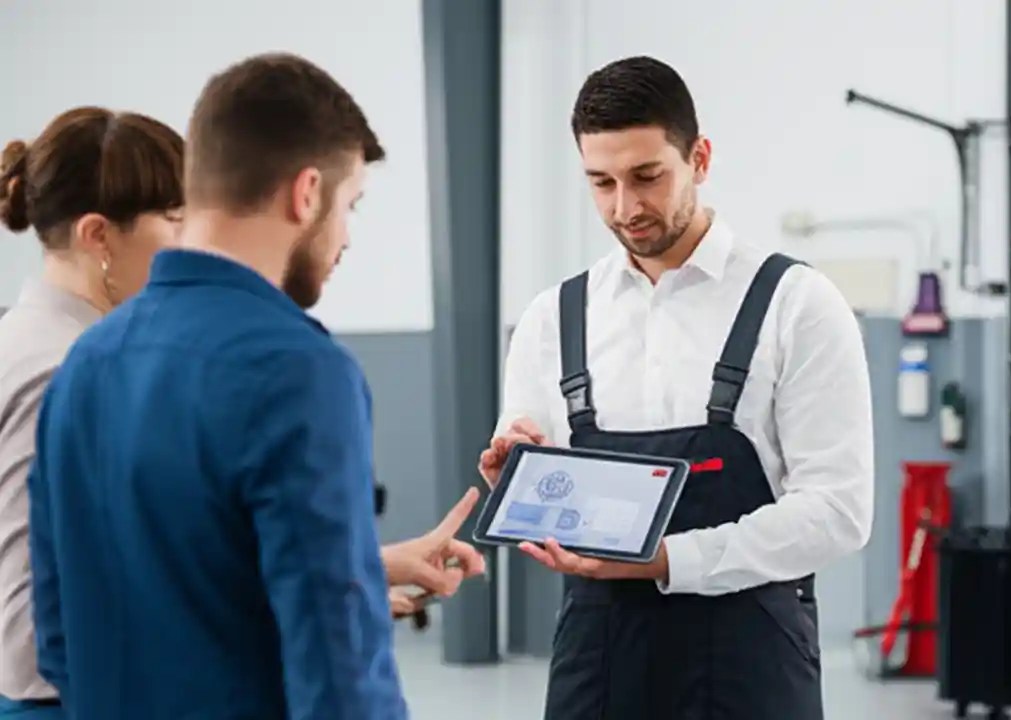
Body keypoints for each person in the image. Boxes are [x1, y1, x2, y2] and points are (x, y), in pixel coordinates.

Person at [26, 54, 483, 719]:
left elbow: (59, 633)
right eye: (349, 204)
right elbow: (338, 670)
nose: (347, 236)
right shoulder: (299, 369)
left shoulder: (87, 361)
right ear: (306, 193)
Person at [479, 56, 875, 720]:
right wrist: (515, 480)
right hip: (599, 658)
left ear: (701, 156)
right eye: (600, 182)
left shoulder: (795, 304)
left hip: (751, 660)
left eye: (647, 176)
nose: (625, 207)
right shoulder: (553, 319)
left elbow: (838, 512)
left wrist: (668, 560)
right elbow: (547, 487)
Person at [0, 107, 186, 719]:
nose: (187, 242)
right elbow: (28, 635)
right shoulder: (61, 368)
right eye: (173, 218)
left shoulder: (33, 341)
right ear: (98, 235)